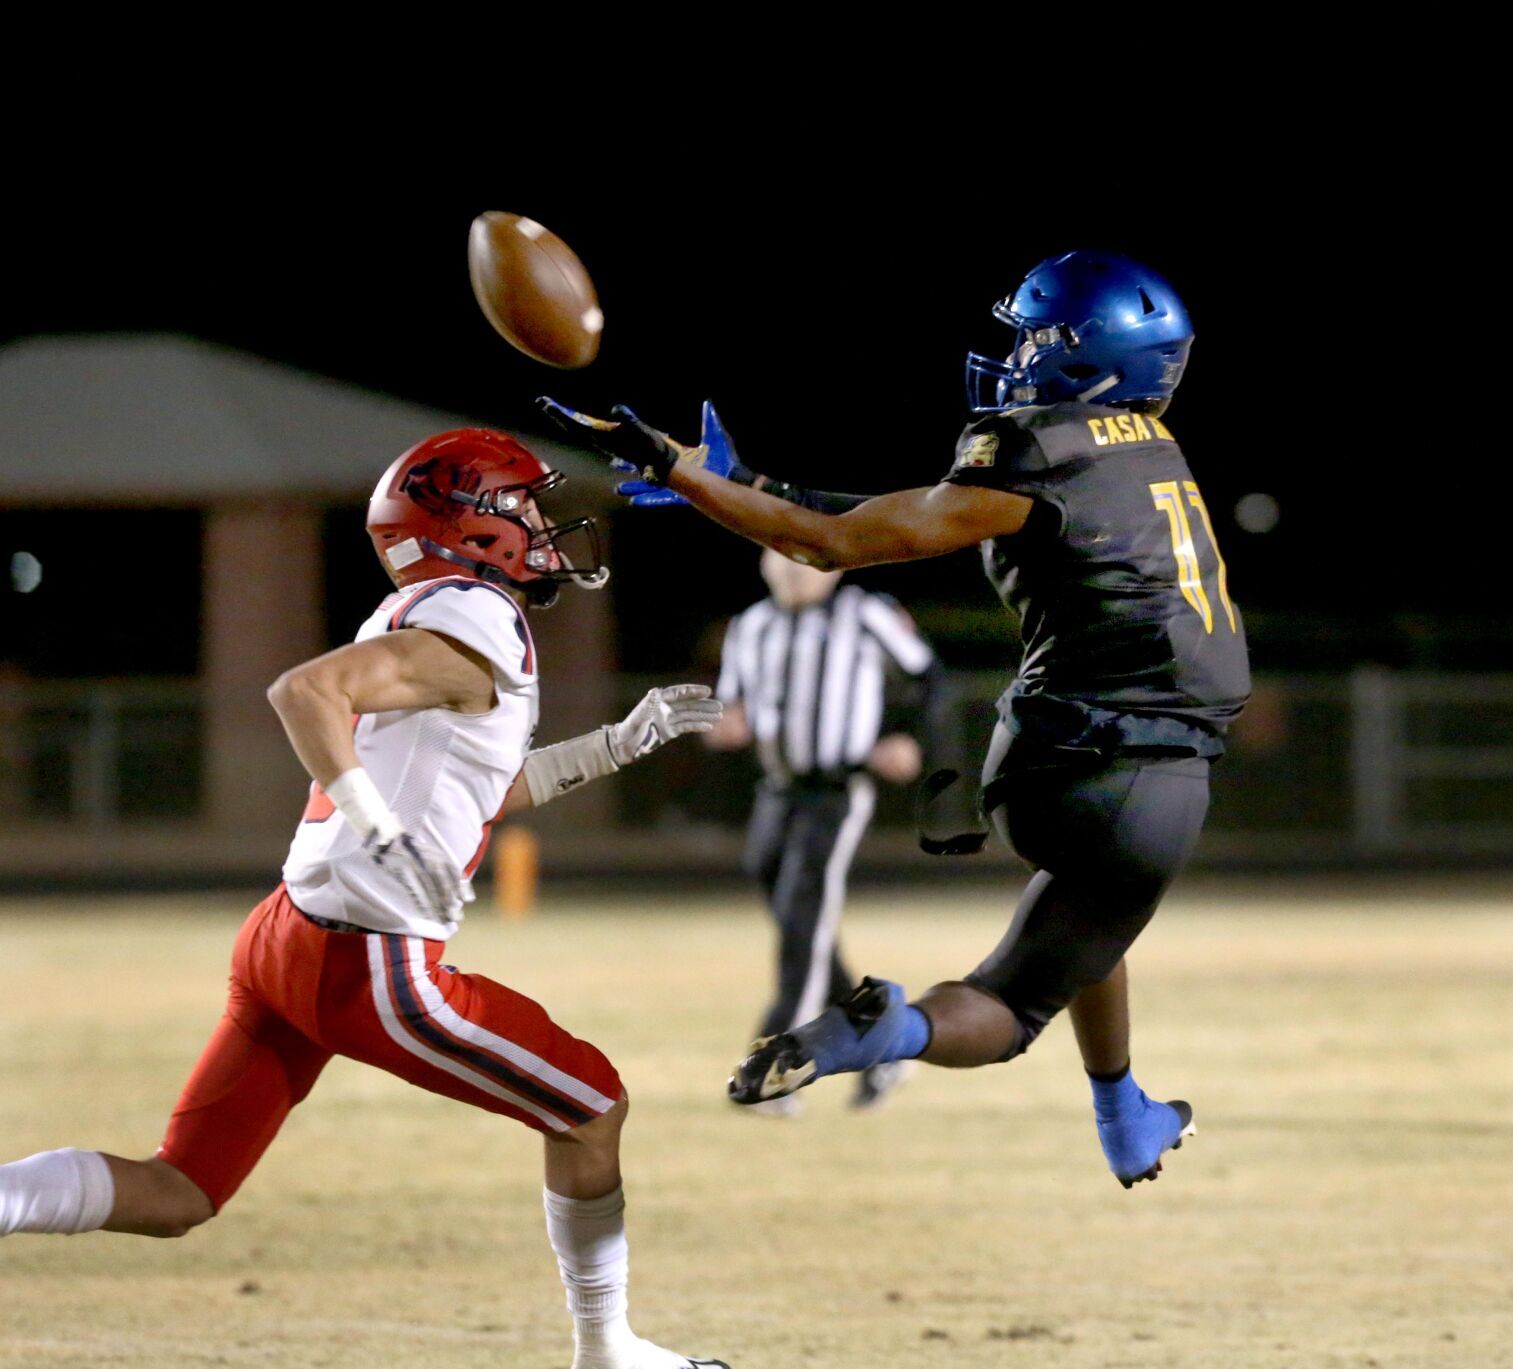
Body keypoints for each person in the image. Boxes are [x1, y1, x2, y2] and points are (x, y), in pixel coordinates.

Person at [0, 428, 731, 1369]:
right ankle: (608, 1352)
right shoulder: (475, 615)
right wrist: (378, 828)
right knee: (590, 1105)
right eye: (524, 507)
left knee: (180, 1188)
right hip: (372, 959)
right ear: (474, 528)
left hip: (283, 940)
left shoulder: (428, 614)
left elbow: (472, 788)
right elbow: (303, 692)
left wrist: (615, 745)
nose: (545, 524)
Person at [541, 249, 1251, 1189]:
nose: (1015, 353)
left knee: (1083, 931)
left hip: (1051, 758)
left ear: (1091, 355)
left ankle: (1123, 1110)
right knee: (1007, 1004)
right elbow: (843, 537)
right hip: (1136, 776)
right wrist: (714, 479)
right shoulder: (1142, 452)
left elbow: (848, 530)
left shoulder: (1044, 450)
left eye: (1035, 336)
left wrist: (713, 480)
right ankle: (893, 1027)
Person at [705, 546, 935, 1115]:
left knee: (803, 921)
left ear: (835, 566)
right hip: (777, 790)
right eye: (778, 555)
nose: (792, 568)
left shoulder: (864, 613)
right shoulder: (751, 625)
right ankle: (882, 1047)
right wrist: (724, 722)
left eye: (806, 557)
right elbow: (734, 702)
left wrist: (905, 737)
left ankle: (778, 1066)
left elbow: (928, 680)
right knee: (803, 925)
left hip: (838, 788)